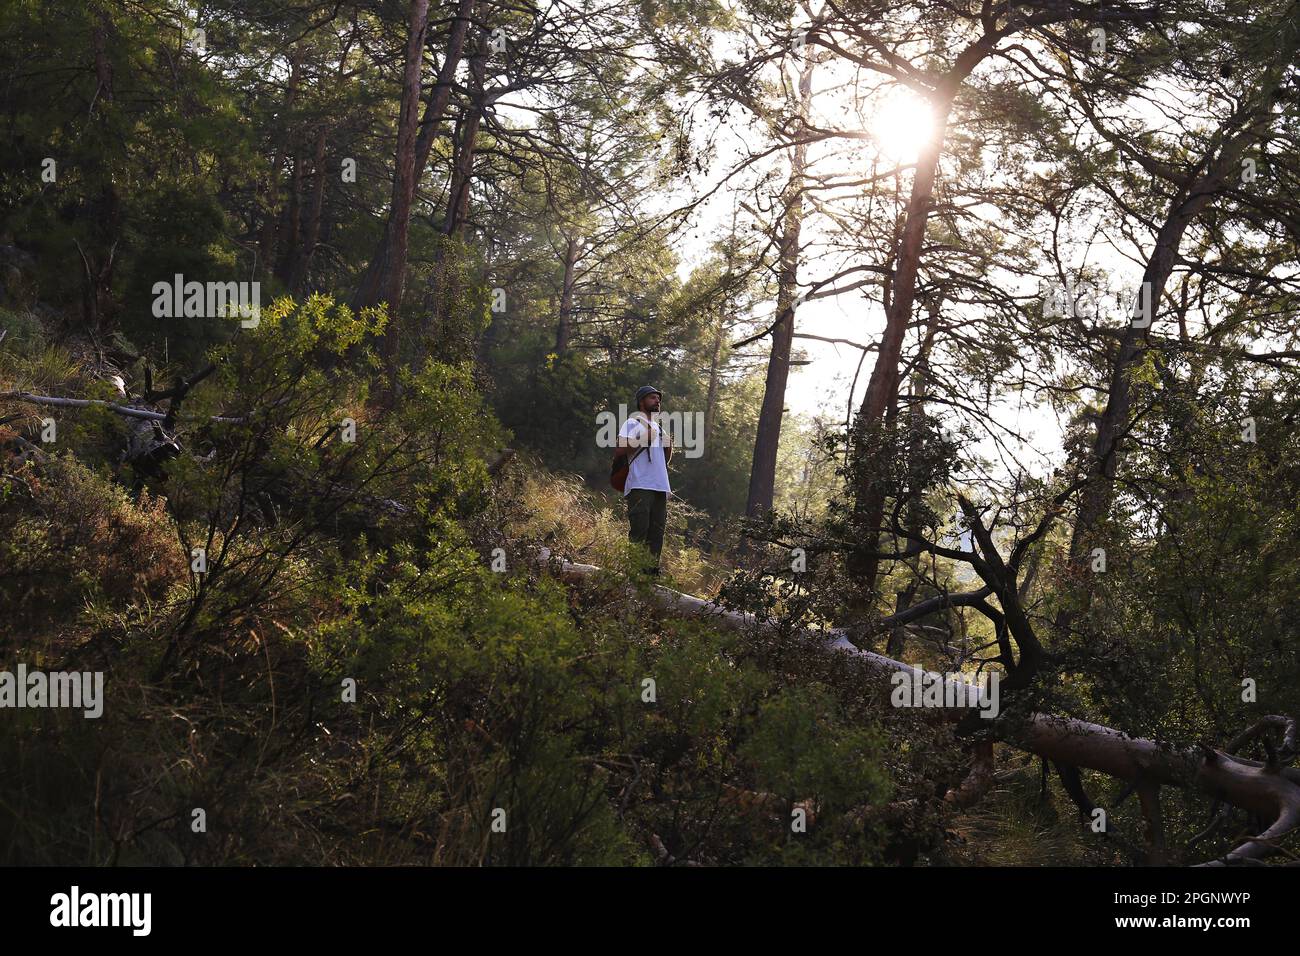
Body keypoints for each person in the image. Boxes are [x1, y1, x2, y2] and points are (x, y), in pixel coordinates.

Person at [618, 385, 673, 575]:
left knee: (657, 534)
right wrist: (644, 437)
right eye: (652, 398)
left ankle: (649, 576)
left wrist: (668, 445)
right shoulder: (632, 423)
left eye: (658, 398)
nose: (657, 401)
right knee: (639, 531)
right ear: (642, 402)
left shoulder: (659, 427)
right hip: (640, 485)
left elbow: (663, 460)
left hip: (660, 486)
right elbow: (619, 449)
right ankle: (632, 575)